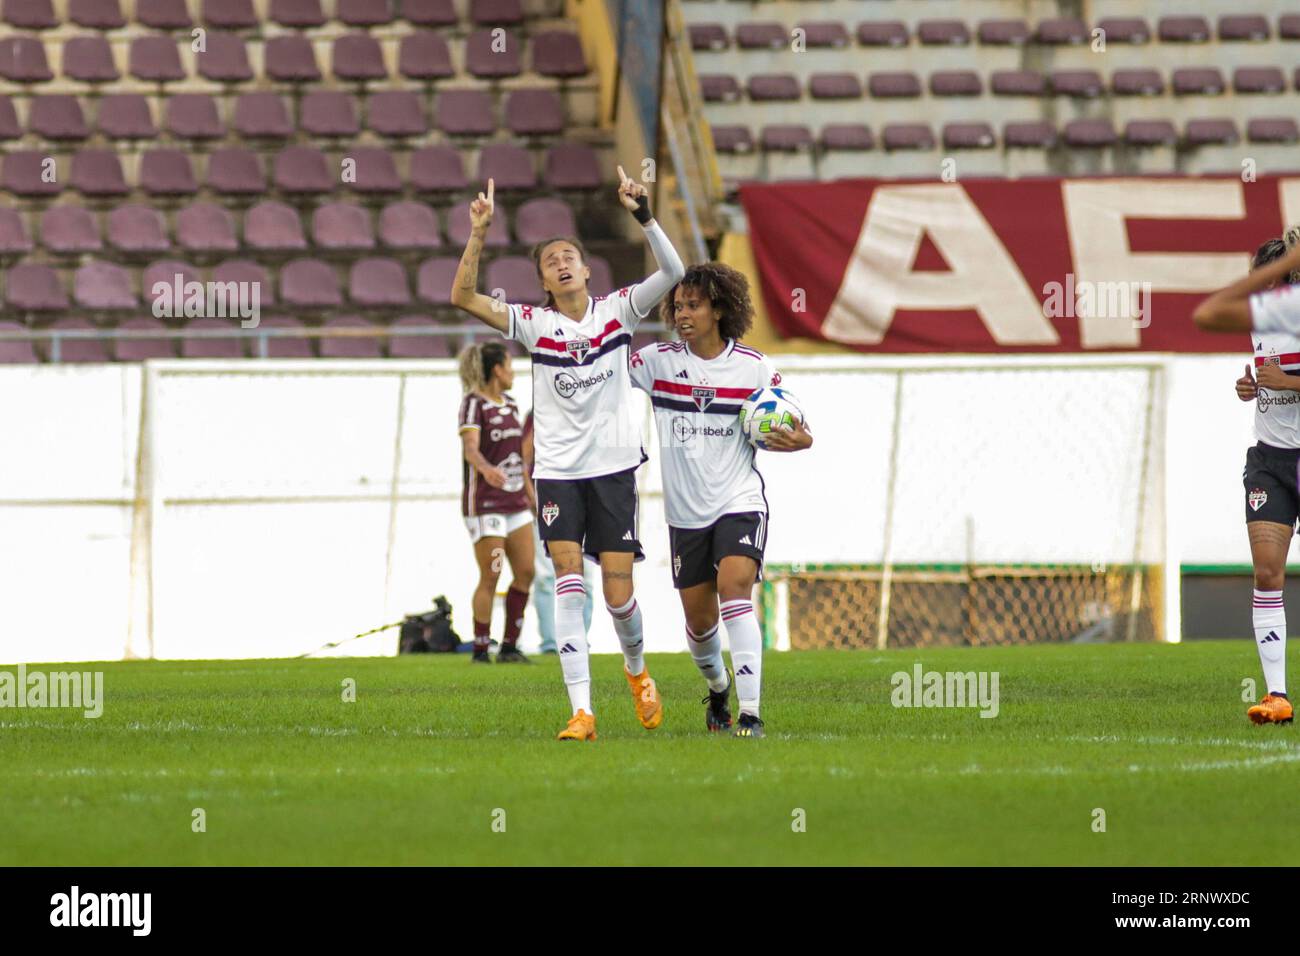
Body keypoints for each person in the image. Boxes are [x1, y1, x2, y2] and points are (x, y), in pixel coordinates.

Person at [449, 170, 685, 741]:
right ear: (545, 283)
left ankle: (635, 671)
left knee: (619, 594)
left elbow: (676, 273)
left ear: (585, 271)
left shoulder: (620, 311)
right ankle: (582, 711)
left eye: (568, 256)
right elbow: (461, 297)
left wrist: (645, 215)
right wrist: (479, 231)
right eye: (550, 260)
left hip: (614, 469)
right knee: (570, 581)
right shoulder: (535, 325)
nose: (560, 263)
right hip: (557, 475)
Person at [629, 263, 812, 738]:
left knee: (735, 591)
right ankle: (717, 686)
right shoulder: (656, 362)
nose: (683, 314)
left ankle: (750, 714)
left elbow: (795, 423)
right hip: (685, 514)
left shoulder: (754, 367)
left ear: (719, 309)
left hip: (739, 500)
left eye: (694, 305)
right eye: (679, 306)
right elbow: (606, 382)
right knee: (700, 623)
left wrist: (799, 440)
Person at [1226, 234, 1300, 723]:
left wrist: (1290, 382)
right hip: (1269, 463)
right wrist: (1249, 388)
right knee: (1267, 573)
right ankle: (1277, 697)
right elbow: (1264, 386)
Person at [457, 341, 534, 663]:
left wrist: (530, 495)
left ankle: (510, 646)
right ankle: (480, 647)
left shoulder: (512, 405)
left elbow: (519, 456)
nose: (513, 371)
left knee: (527, 571)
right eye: (509, 365)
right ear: (497, 370)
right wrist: (486, 470)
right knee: (492, 574)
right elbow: (470, 448)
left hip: (515, 501)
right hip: (486, 503)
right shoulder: (473, 404)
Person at [522, 409, 594, 654]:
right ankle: (551, 643)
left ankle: (579, 640)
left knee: (586, 579)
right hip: (549, 505)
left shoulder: (592, 409)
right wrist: (532, 497)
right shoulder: (539, 412)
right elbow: (524, 458)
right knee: (545, 577)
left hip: (585, 503)